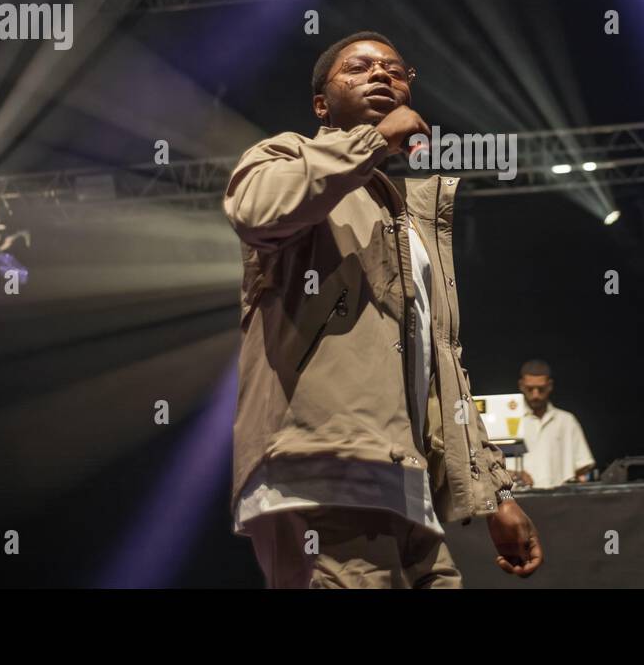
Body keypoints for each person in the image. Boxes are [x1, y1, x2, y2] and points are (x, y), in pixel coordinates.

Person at [222, 29, 543, 587]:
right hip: (320, 471)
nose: (380, 75)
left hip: (405, 483)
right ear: (322, 103)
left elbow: (438, 370)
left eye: (395, 70)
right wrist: (369, 141)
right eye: (360, 67)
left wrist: (494, 493)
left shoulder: (407, 221)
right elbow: (257, 209)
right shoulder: (285, 156)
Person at [511, 360, 596, 488]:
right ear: (521, 385)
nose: (535, 395)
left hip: (558, 500)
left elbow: (583, 464)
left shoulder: (566, 421)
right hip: (517, 500)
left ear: (550, 385)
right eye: (530, 389)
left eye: (541, 389)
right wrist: (511, 474)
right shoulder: (509, 420)